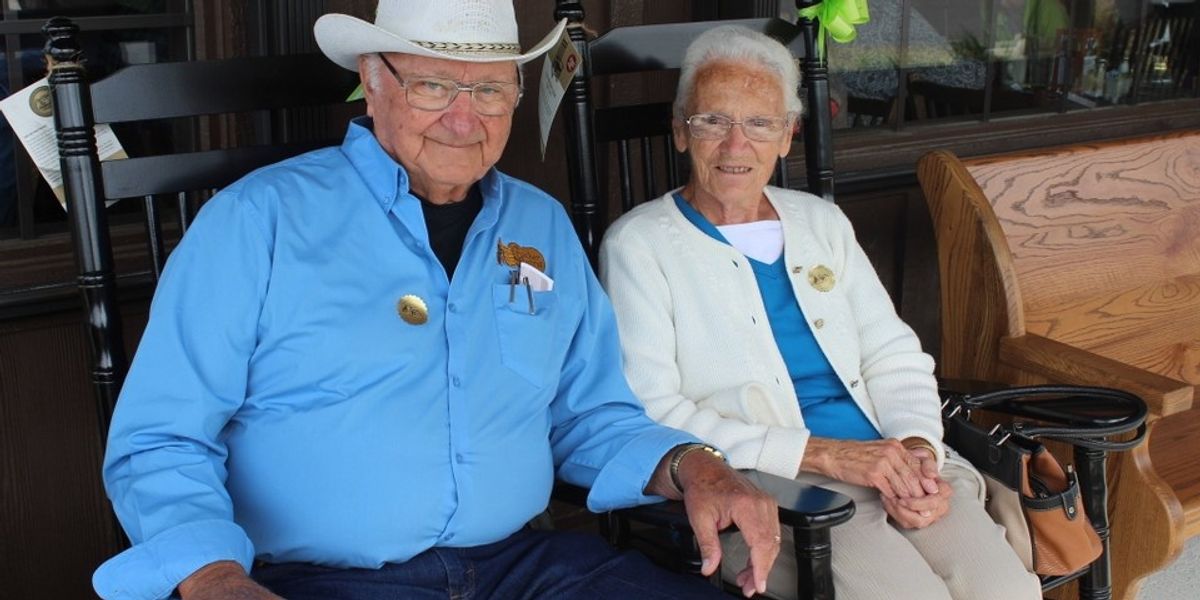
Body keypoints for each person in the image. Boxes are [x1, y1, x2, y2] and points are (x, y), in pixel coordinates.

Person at [91, 3, 782, 599]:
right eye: (431, 85)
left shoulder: (538, 228)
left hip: (524, 569)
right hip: (319, 579)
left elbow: (588, 417)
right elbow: (161, 440)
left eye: (488, 91)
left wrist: (696, 465)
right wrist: (213, 576)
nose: (463, 119)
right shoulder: (257, 223)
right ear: (372, 79)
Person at [598, 25, 1043, 600]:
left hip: (888, 462)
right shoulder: (638, 245)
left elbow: (892, 354)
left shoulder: (820, 223)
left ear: (787, 136)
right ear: (682, 131)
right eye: (713, 121)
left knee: (1006, 590)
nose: (736, 145)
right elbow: (654, 411)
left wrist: (917, 452)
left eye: (759, 123)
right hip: (769, 487)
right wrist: (825, 455)